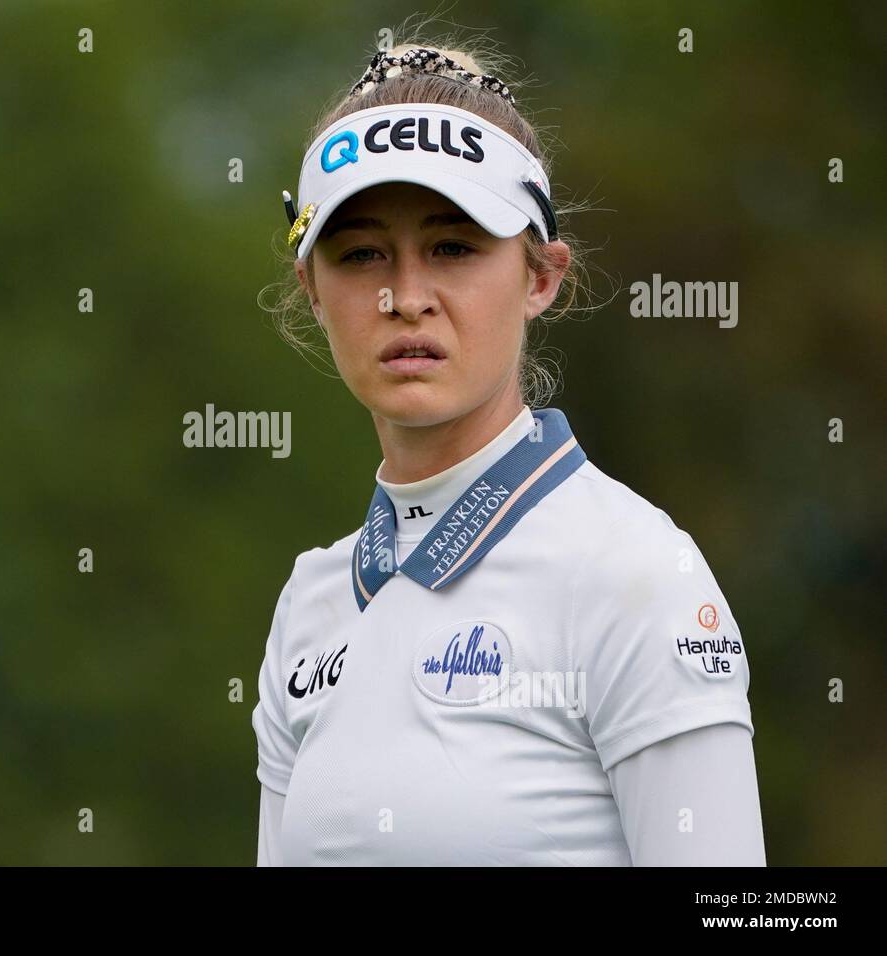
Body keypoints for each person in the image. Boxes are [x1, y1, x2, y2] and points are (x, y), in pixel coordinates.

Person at [251, 41, 765, 866]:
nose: (404, 296)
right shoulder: (311, 603)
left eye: (454, 248)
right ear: (312, 287)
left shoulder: (633, 572)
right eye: (360, 254)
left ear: (541, 276)